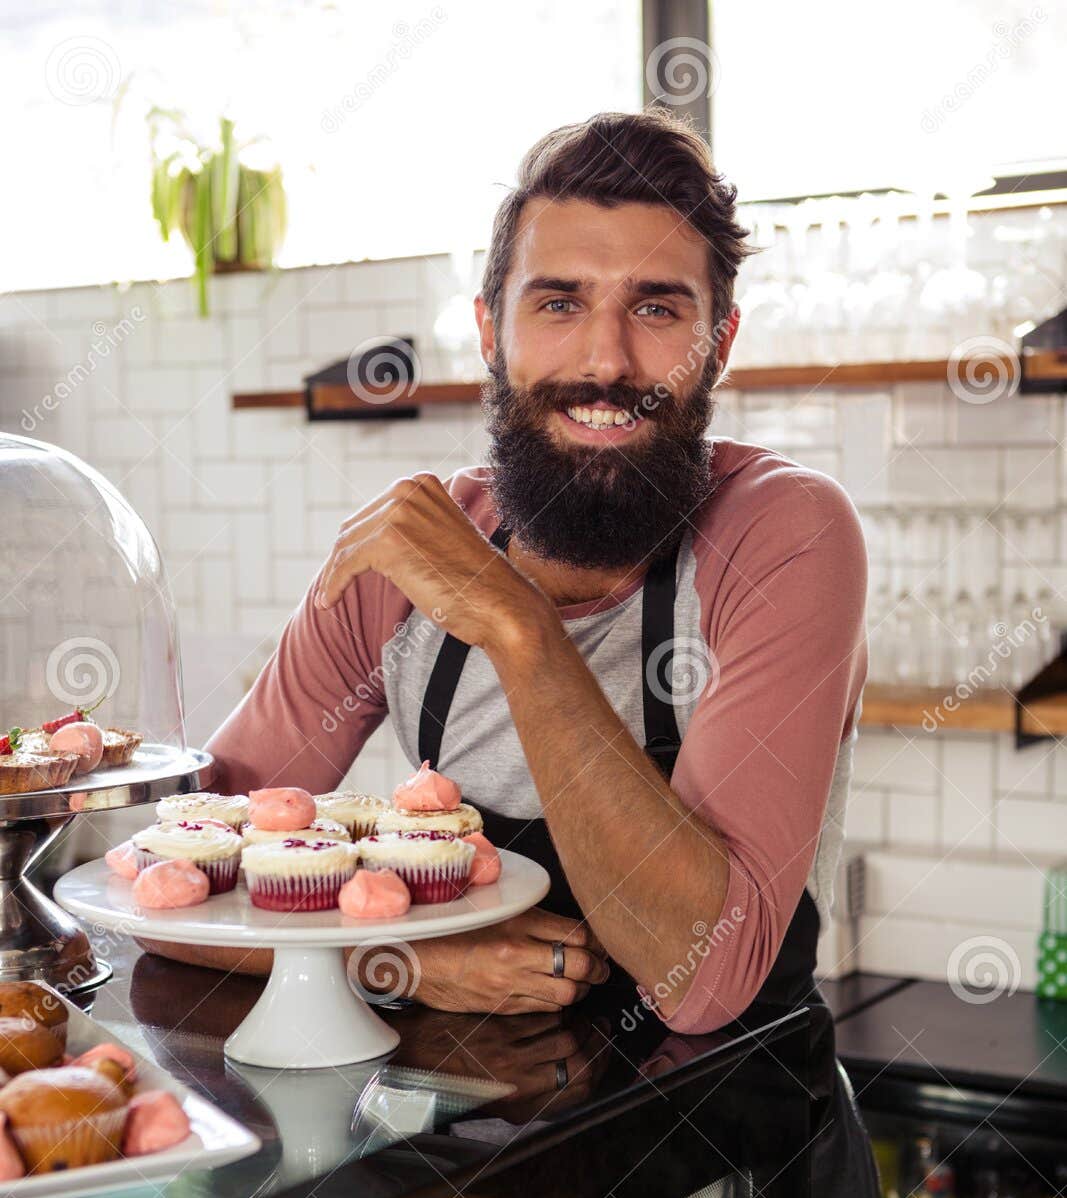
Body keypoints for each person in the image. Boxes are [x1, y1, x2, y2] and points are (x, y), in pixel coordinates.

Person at [165, 106, 868, 1044]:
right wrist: (398, 958)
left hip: (737, 1152)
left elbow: (703, 980)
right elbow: (177, 881)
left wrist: (516, 622)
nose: (605, 360)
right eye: (558, 303)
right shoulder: (410, 554)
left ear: (721, 342)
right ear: (490, 332)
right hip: (477, 1142)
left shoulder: (784, 533)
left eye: (657, 308)